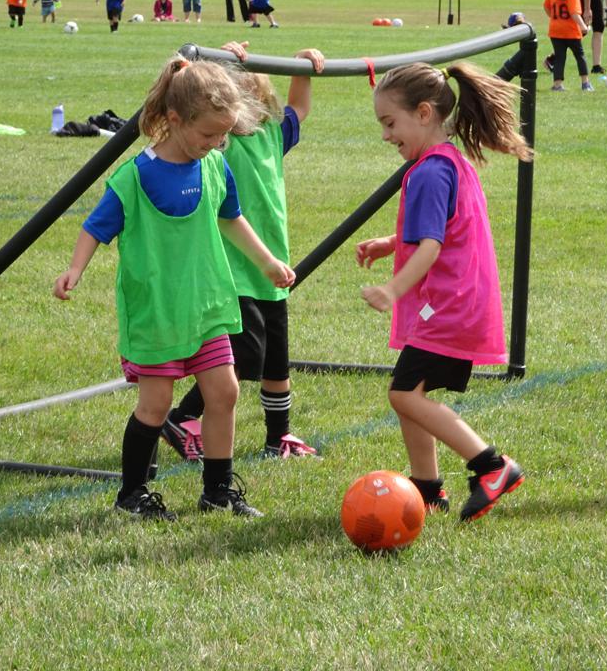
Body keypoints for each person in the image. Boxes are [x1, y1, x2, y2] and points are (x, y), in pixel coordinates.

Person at [53, 55, 296, 520]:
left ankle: (218, 490)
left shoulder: (215, 167)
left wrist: (267, 263)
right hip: (158, 311)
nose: (217, 143)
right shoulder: (136, 176)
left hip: (207, 304)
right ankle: (132, 494)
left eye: (223, 134)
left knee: (224, 392)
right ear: (173, 120)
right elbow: (96, 226)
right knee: (156, 403)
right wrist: (75, 270)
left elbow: (232, 219)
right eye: (208, 134)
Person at [355, 61, 530, 521]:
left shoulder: (430, 172)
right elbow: (443, 229)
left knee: (404, 395)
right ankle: (428, 489)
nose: (386, 135)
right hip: (457, 302)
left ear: (425, 113)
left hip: (446, 307)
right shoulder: (450, 161)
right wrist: (391, 242)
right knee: (408, 390)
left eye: (390, 123)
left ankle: (491, 466)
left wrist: (392, 290)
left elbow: (431, 246)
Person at [166, 44, 324, 462]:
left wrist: (303, 65)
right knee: (243, 357)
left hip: (271, 267)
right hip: (236, 267)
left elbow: (300, 107)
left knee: (276, 362)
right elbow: (189, 90)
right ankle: (183, 417)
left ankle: (280, 437)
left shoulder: (273, 131)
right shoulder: (218, 143)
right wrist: (217, 61)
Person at [544, 0, 591, 92]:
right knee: (580, 56)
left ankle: (557, 85)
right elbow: (574, 13)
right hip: (571, 31)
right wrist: (583, 26)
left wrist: (554, 18)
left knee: (559, 58)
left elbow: (546, 7)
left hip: (555, 30)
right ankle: (585, 83)